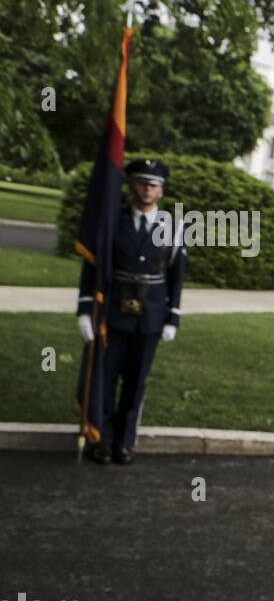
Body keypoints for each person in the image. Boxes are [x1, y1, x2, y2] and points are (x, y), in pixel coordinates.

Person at [76, 158, 186, 465]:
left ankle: (125, 442)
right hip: (113, 312)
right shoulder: (112, 223)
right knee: (107, 377)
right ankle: (103, 440)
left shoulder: (173, 228)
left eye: (153, 185)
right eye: (141, 183)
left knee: (136, 382)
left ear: (161, 191)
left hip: (150, 315)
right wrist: (85, 310)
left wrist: (172, 316)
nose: (147, 190)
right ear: (130, 185)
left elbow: (177, 275)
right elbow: (92, 267)